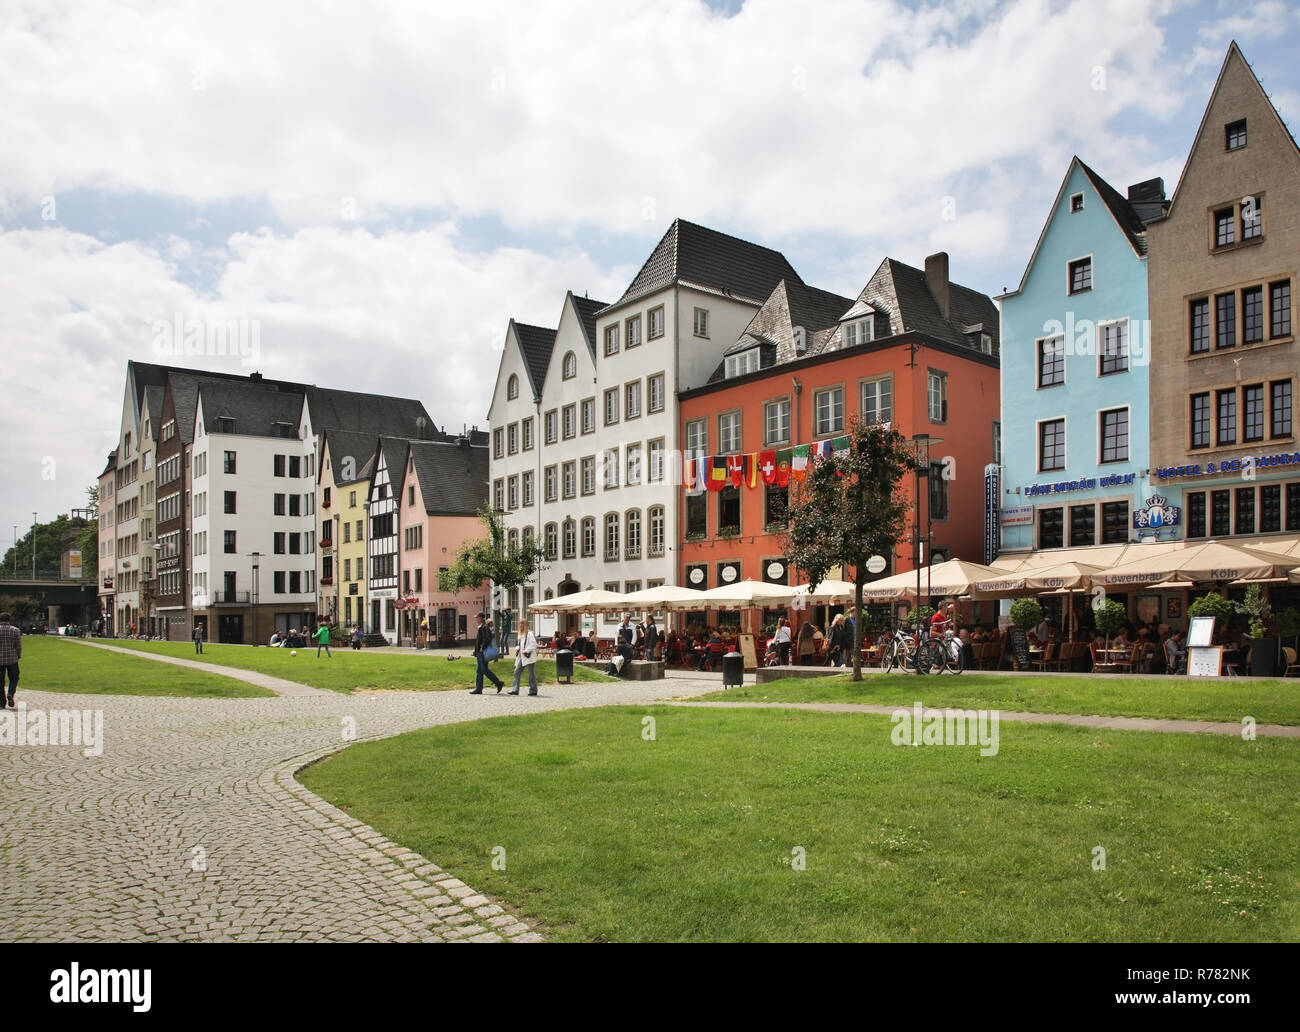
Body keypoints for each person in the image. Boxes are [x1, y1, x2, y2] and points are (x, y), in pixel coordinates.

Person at [470, 614, 504, 694]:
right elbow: (479, 640)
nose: (476, 620)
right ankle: (478, 688)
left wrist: (482, 647)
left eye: (477, 618)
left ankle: (498, 683)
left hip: (483, 652)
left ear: (481, 619)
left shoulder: (485, 627)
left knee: (484, 670)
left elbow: (487, 638)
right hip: (479, 652)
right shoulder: (481, 627)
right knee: (479, 671)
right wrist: (476, 651)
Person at [507, 619, 539, 695]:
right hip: (521, 657)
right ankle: (515, 689)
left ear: (526, 625)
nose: (520, 625)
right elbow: (519, 644)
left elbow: (533, 644)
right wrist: (517, 649)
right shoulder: (520, 635)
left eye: (522, 624)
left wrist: (526, 650)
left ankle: (533, 690)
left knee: (531, 674)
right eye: (520, 624)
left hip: (528, 657)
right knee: (516, 672)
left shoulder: (530, 634)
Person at [0, 612, 21, 710]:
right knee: (14, 678)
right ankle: (10, 693)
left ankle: (1, 702)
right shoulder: (15, 630)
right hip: (12, 658)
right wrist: (18, 655)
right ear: (9, 620)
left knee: (0, 681)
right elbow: (18, 646)